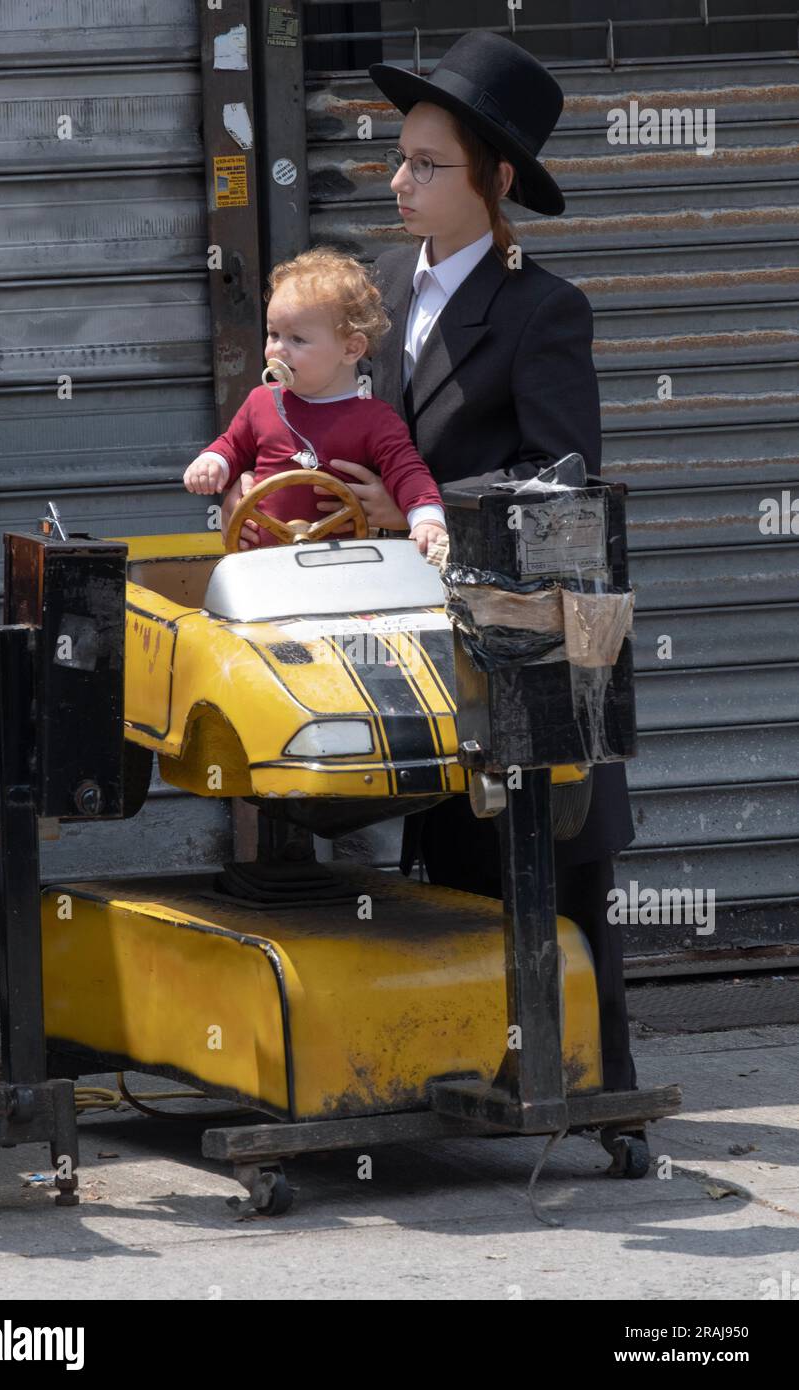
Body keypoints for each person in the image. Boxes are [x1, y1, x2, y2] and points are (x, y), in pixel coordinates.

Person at [222, 34, 638, 1095]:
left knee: (552, 881)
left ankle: (585, 1090)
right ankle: (462, 1073)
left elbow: (561, 487)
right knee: (447, 867)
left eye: (425, 165)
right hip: (416, 649)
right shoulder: (385, 291)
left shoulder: (542, 308)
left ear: (494, 183)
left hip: (523, 654)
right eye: (397, 158)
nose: (396, 180)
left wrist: (416, 508)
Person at [183, 248, 447, 556]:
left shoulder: (374, 419)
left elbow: (408, 473)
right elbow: (232, 445)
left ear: (351, 349)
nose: (278, 350)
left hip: (342, 568)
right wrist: (212, 462)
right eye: (274, 334)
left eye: (297, 339)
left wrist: (427, 519)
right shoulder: (261, 401)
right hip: (261, 564)